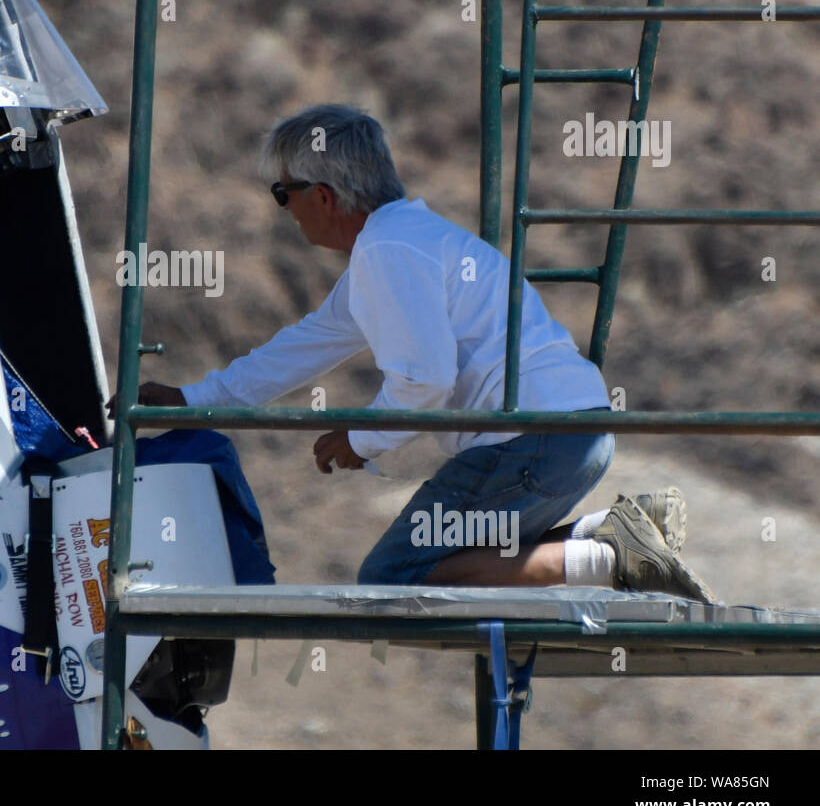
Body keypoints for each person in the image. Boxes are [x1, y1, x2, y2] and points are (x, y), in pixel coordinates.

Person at [130, 104, 715, 601]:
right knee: (424, 568)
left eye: (283, 193)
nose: (283, 209)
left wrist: (360, 440)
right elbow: (305, 345)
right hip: (567, 432)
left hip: (533, 441)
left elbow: (427, 380)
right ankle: (610, 533)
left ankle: (611, 556)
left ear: (325, 197)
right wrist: (194, 399)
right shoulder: (399, 242)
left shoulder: (388, 250)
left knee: (392, 577)